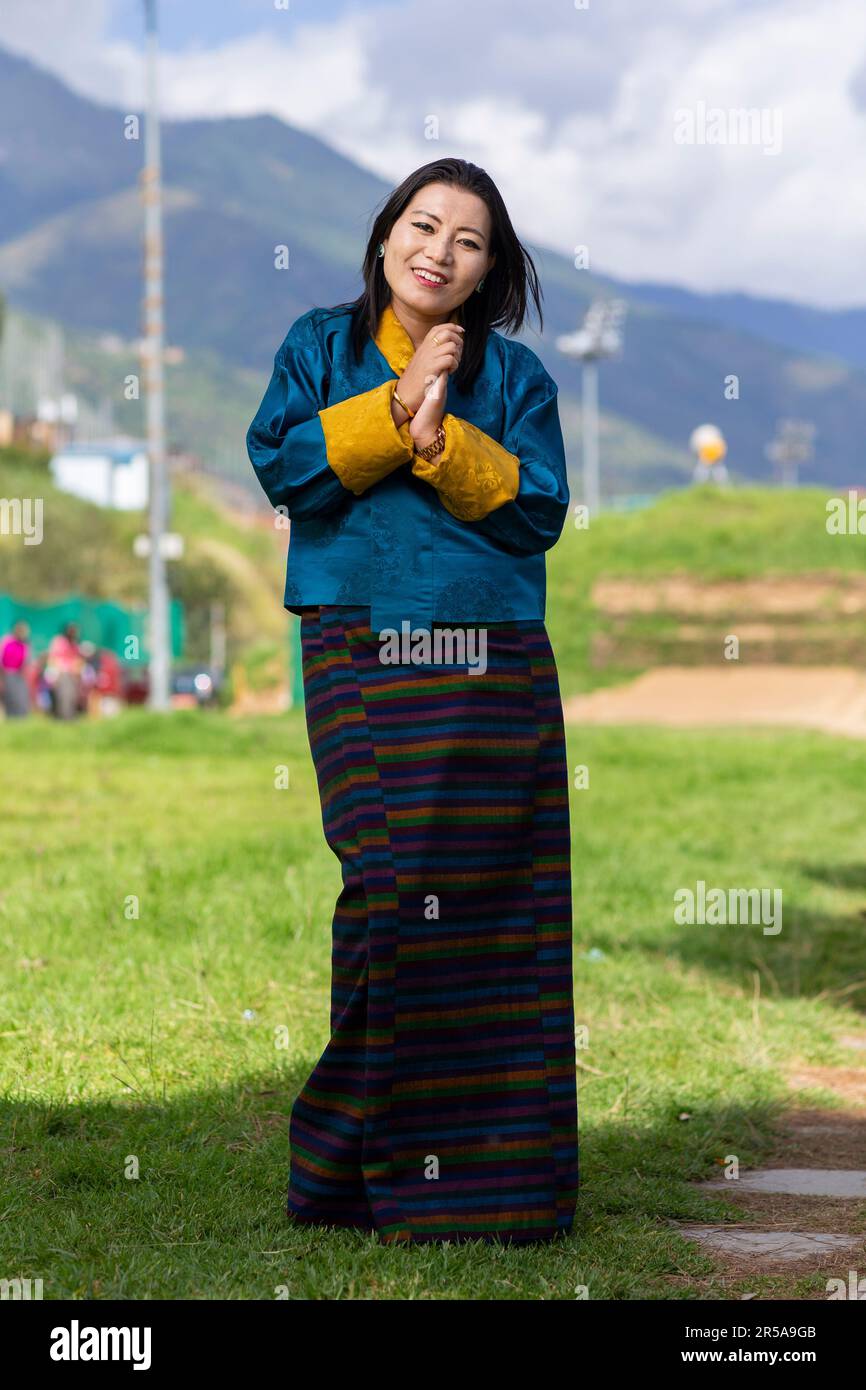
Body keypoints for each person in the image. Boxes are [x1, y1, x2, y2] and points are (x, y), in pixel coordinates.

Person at [247, 157, 578, 1245]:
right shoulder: (316, 346)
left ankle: (495, 1190)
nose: (439, 250)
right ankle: (350, 1162)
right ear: (385, 236)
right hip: (358, 637)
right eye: (422, 225)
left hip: (493, 657)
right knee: (390, 889)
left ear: (489, 271)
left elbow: (536, 513)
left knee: (493, 900)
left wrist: (443, 444)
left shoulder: (517, 378)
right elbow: (287, 471)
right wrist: (394, 411)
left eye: (468, 240)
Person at [45, 622, 83, 719]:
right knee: (63, 696)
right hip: (61, 674)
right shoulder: (59, 641)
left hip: (71, 674)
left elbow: (78, 660)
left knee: (71, 696)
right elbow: (53, 658)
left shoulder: (75, 644)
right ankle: (63, 717)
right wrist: (56, 673)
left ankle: (70, 716)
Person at [0, 620, 32, 718]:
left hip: (20, 674)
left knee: (21, 696)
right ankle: (11, 716)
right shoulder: (7, 641)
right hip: (8, 672)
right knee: (10, 696)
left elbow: (27, 659)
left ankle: (21, 717)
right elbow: (2, 657)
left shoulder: (25, 644)